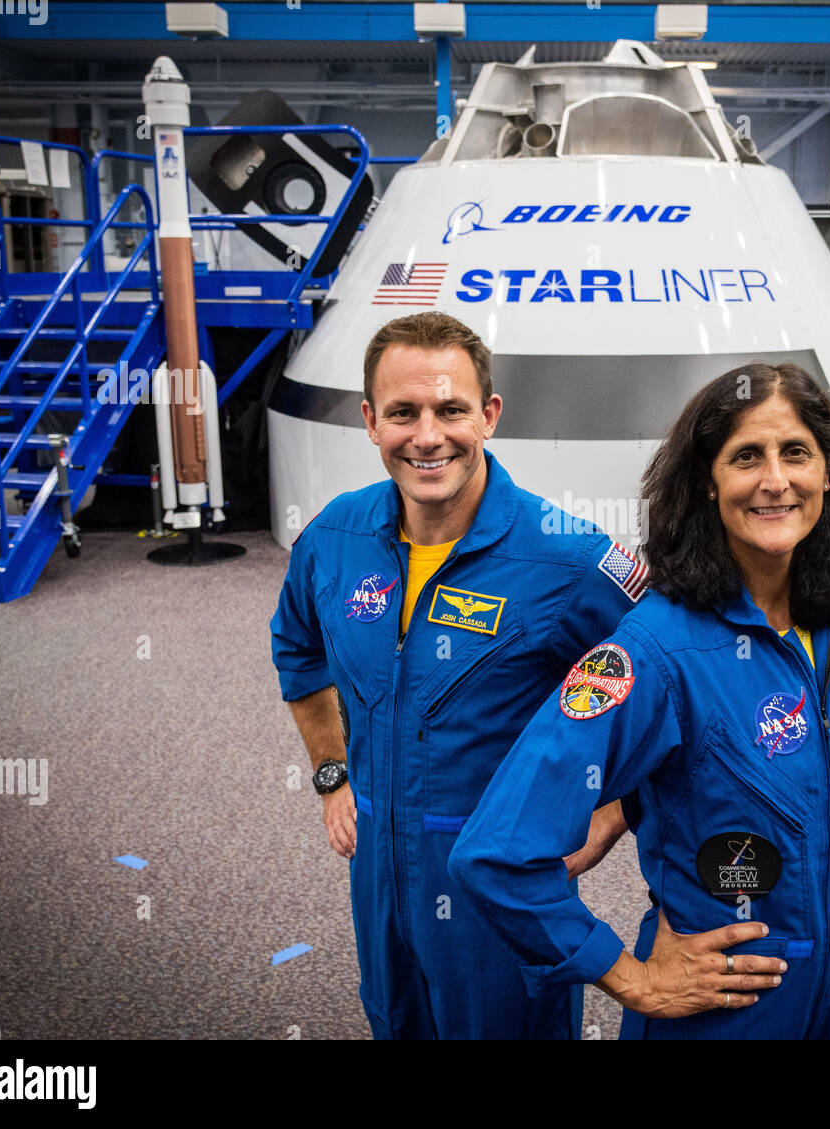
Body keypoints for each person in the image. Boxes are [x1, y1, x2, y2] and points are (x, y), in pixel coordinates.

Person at [450, 362, 830, 1038]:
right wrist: (629, 976)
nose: (775, 480)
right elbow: (495, 851)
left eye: (796, 453)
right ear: (708, 480)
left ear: (828, 472)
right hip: (716, 1010)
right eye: (746, 457)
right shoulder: (653, 651)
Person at [269, 311, 641, 1039]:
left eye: (452, 410)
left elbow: (673, 681)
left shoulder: (565, 558)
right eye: (404, 412)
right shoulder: (332, 540)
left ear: (489, 416)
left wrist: (610, 813)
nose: (428, 435)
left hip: (500, 884)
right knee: (395, 1022)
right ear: (372, 422)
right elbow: (298, 652)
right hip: (378, 873)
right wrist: (330, 775)